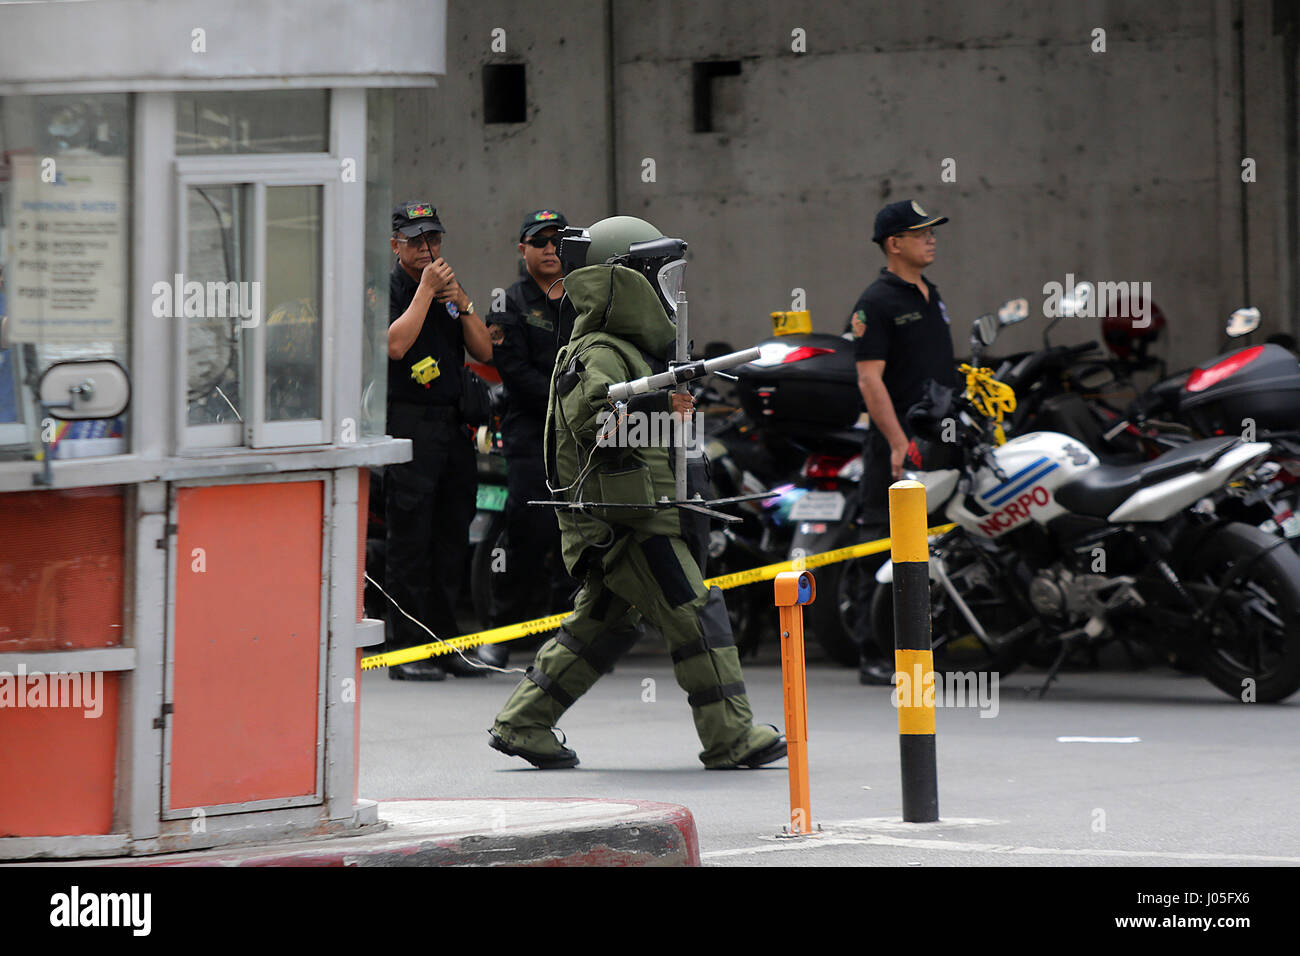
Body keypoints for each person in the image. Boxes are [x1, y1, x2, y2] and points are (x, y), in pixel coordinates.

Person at [487, 215, 786, 770]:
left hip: (637, 514)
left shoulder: (629, 349)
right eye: (658, 278)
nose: (669, 292)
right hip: (628, 522)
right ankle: (730, 736)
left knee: (600, 625)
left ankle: (523, 723)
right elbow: (593, 420)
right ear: (623, 284)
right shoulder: (599, 350)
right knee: (696, 614)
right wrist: (656, 403)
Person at [384, 201, 493, 680]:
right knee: (411, 538)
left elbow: (484, 348)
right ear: (396, 246)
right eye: (416, 241)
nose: (427, 249)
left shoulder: (449, 286)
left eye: (433, 239)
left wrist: (462, 300)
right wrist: (425, 292)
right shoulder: (387, 288)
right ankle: (406, 650)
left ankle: (445, 642)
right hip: (408, 423)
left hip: (452, 427)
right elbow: (394, 345)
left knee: (452, 535)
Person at [850, 200, 957, 685]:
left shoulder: (929, 293)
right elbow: (870, 380)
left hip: (938, 441)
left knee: (929, 543)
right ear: (895, 244)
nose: (931, 238)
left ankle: (920, 644)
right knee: (883, 545)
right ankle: (873, 651)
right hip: (898, 446)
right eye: (921, 232)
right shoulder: (877, 302)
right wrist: (897, 442)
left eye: (933, 231)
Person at [476, 210, 580, 668]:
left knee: (576, 532)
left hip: (580, 433)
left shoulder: (585, 296)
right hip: (530, 431)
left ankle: (569, 635)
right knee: (528, 528)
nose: (551, 249)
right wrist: (569, 395)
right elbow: (512, 371)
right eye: (540, 242)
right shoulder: (509, 303)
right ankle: (503, 630)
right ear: (523, 250)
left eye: (558, 241)